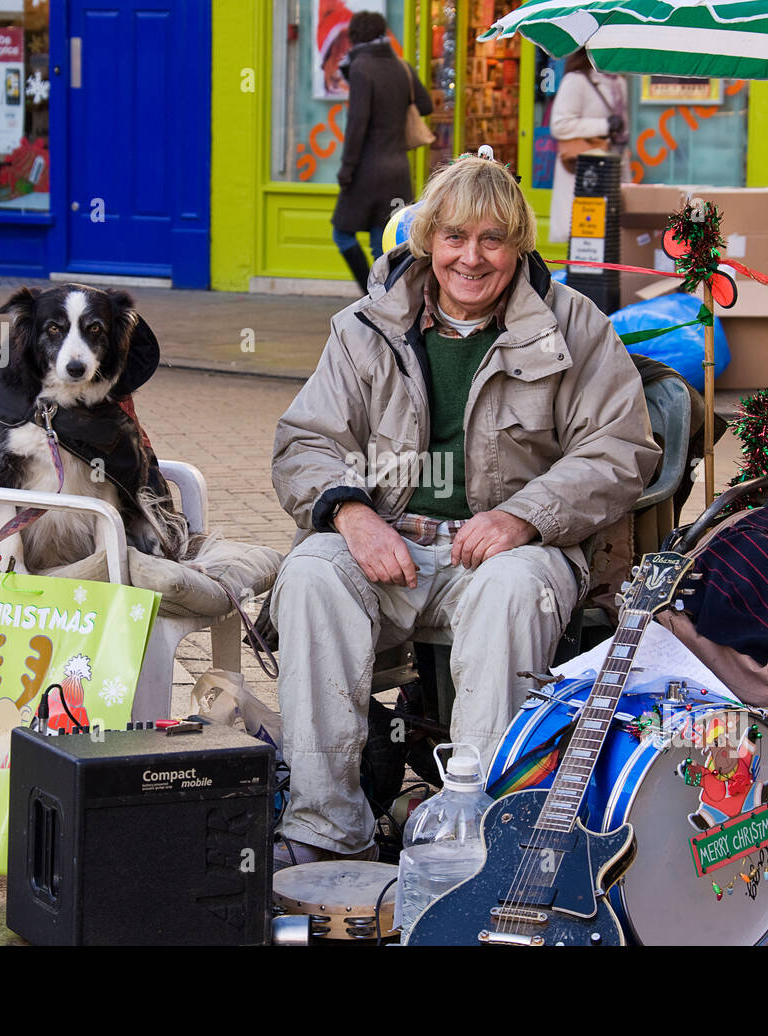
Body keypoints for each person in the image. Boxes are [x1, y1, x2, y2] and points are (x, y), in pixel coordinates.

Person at [271, 154, 661, 862]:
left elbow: (622, 449)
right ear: (427, 243)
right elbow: (306, 441)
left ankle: (475, 834)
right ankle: (325, 829)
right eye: (453, 237)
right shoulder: (365, 327)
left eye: (491, 240)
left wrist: (524, 515)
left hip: (514, 555)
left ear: (519, 245)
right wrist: (352, 516)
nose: (470, 258)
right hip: (390, 543)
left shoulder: (573, 327)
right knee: (309, 577)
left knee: (509, 593)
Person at [331, 10, 433, 293]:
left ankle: (372, 294)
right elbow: (425, 105)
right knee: (382, 242)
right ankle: (385, 296)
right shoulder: (400, 65)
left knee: (342, 234)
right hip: (397, 168)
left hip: (367, 169)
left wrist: (346, 169)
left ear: (354, 36)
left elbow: (357, 124)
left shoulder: (362, 67)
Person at [547, 51, 629, 244]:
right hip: (584, 168)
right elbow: (559, 125)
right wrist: (605, 125)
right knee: (586, 232)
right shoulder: (576, 81)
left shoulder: (619, 83)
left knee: (610, 235)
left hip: (613, 164)